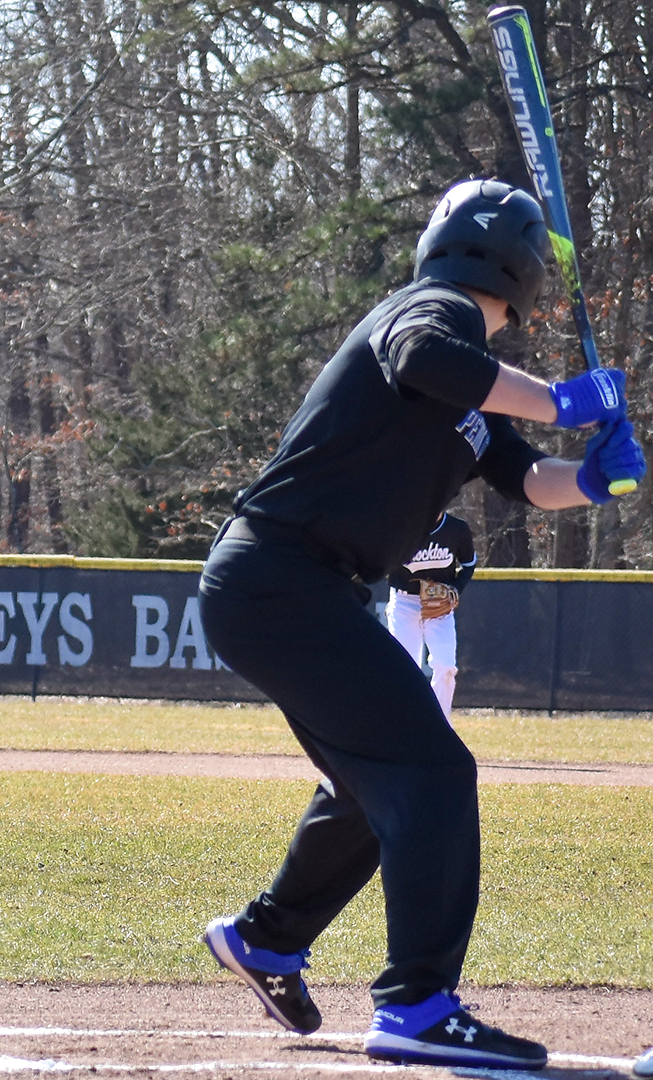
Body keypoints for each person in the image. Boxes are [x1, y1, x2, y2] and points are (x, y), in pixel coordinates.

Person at [195, 179, 644, 1070]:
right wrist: (560, 400)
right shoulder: (429, 315)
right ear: (520, 273)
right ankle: (418, 1006)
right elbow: (418, 357)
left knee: (377, 780)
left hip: (290, 590)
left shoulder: (471, 382)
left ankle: (268, 940)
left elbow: (527, 480)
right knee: (433, 767)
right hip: (283, 579)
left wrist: (589, 479)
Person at [385, 513, 476, 721]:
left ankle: (439, 726)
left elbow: (469, 564)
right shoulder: (403, 527)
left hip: (440, 604)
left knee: (445, 666)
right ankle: (405, 727)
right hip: (404, 602)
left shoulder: (456, 529)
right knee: (405, 670)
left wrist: (455, 588)